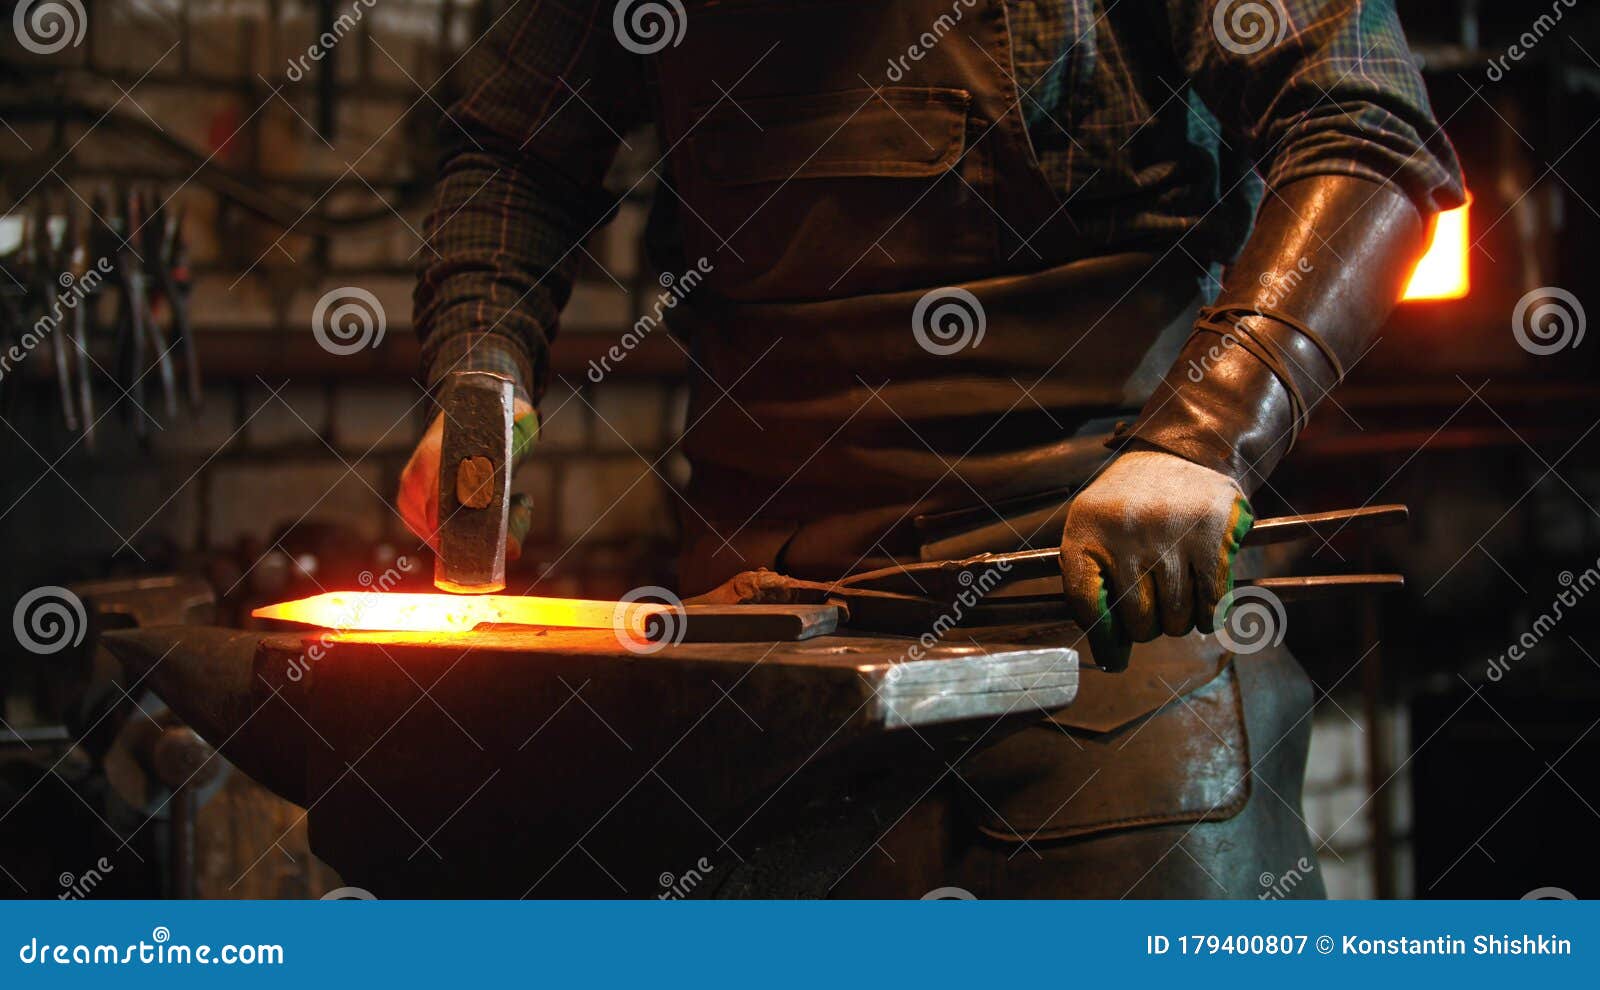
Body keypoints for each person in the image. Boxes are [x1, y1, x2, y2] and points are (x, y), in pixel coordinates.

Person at [398, 0, 1463, 896]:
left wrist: (1202, 438)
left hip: (1094, 634)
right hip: (765, 659)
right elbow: (512, 148)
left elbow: (1364, 128)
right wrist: (482, 371)